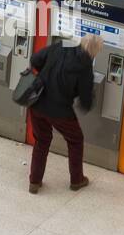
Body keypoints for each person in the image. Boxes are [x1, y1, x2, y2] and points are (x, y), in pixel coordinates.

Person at [26, 35, 101, 193]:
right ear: (94, 51)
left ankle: (34, 181)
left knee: (42, 140)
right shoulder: (85, 64)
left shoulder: (61, 46)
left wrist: (46, 75)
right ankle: (77, 180)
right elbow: (86, 100)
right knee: (75, 140)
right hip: (59, 110)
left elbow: (35, 59)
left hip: (37, 101)